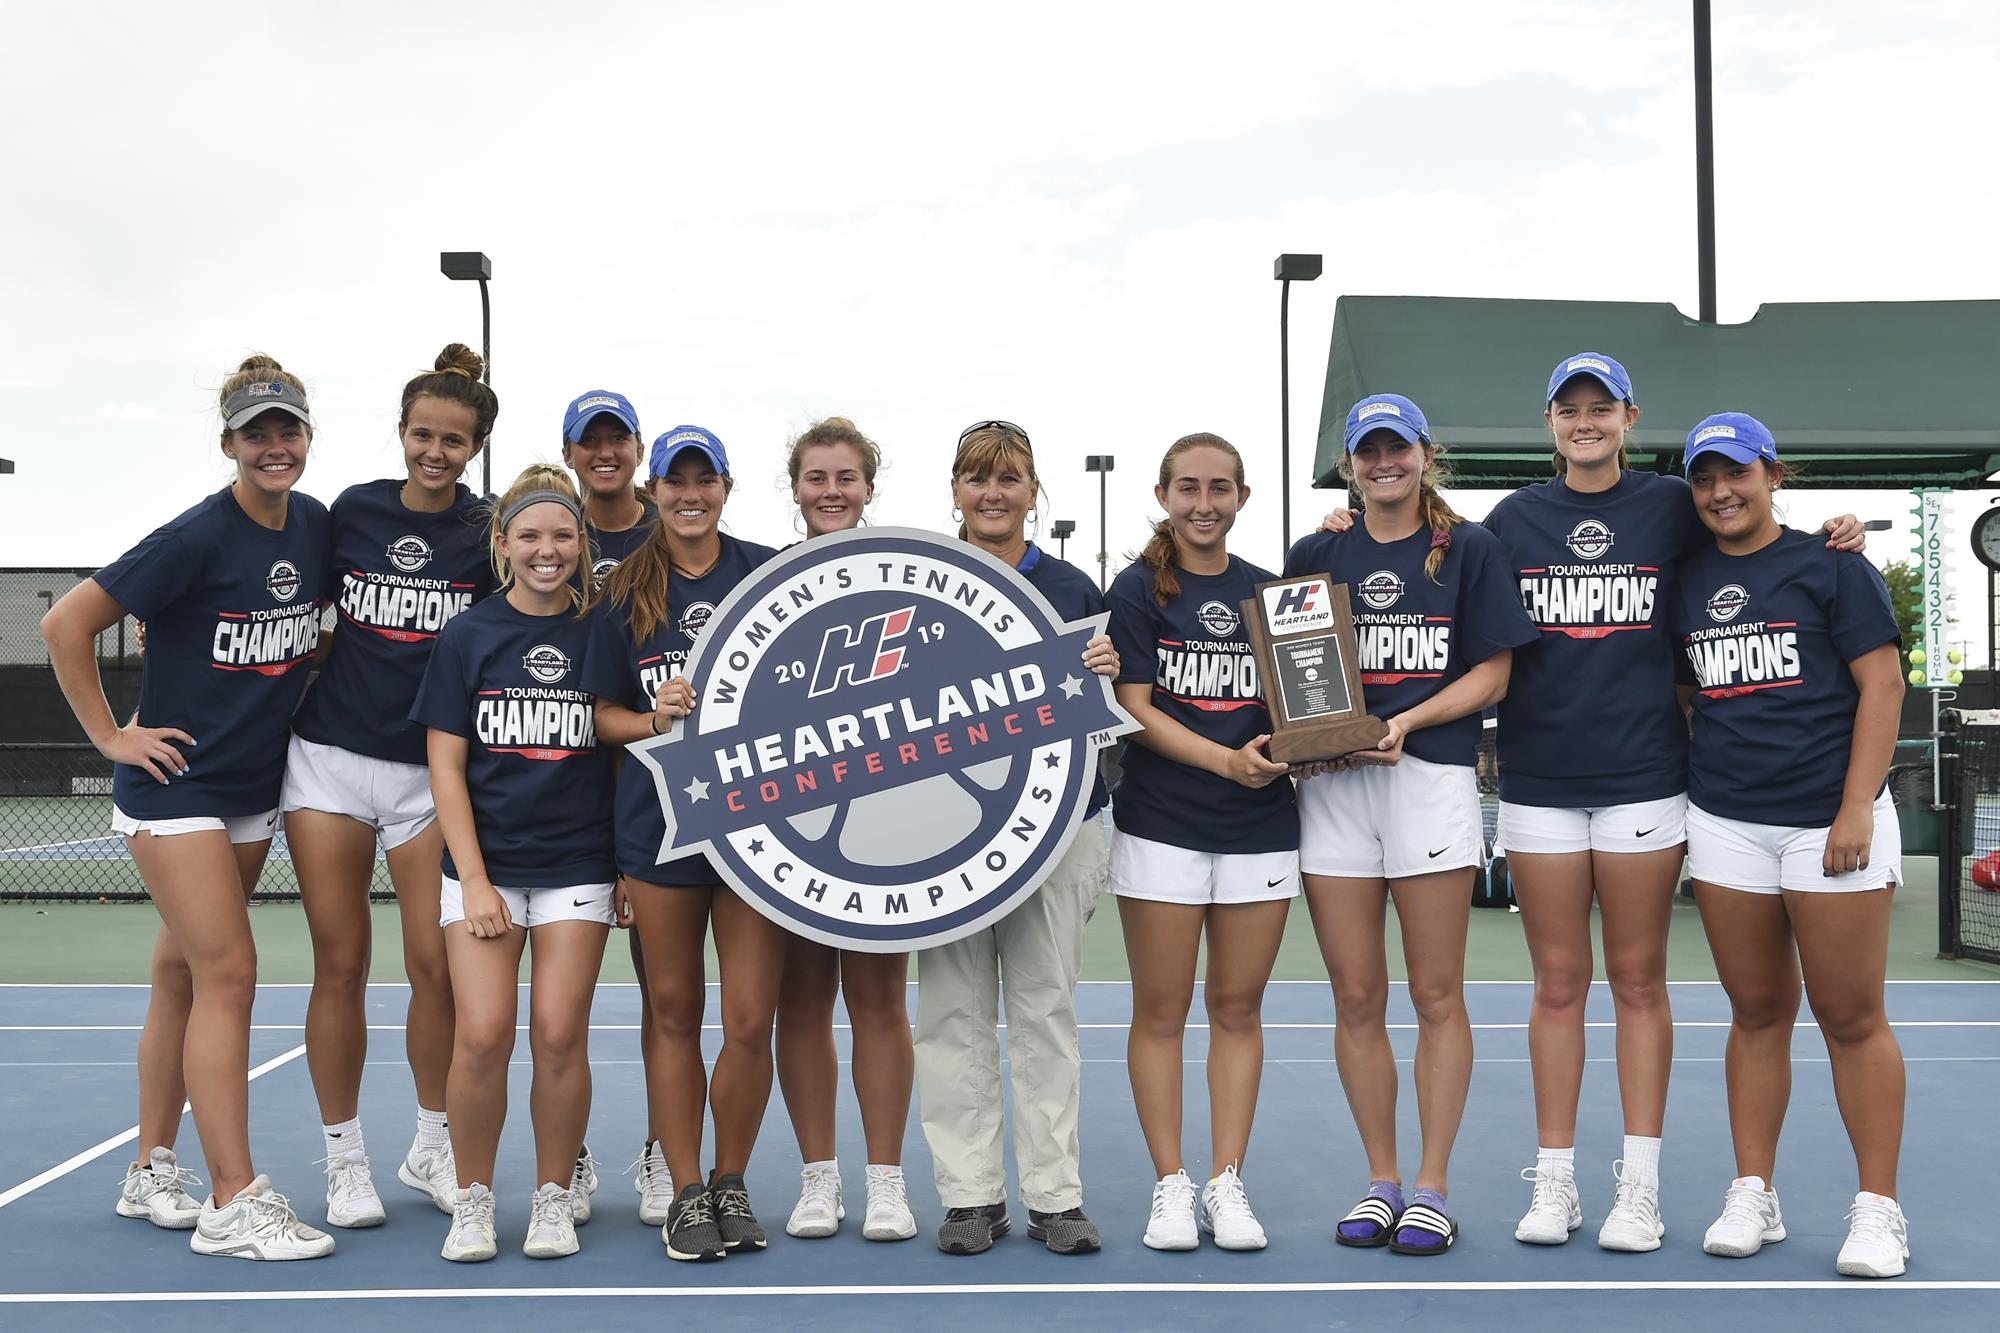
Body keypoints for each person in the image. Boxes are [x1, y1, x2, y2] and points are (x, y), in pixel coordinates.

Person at [1478, 353, 1868, 1250]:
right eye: (1568, 408)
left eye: (1601, 406)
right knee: (1558, 985)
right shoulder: (1511, 520)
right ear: (1549, 424)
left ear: (1629, 416)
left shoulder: (1668, 504)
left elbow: (1756, 541)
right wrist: (1343, 525)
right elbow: (1432, 560)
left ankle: (1639, 1189)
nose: (1585, 420)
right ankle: (1556, 1182)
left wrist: (1835, 532)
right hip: (1538, 785)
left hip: (1648, 783)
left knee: (1640, 979)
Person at [41, 355, 334, 1260]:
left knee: (181, 975)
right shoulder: (194, 538)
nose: (274, 446)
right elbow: (64, 625)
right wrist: (110, 736)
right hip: (176, 789)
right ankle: (233, 1200)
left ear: (306, 438)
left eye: (287, 430)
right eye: (257, 434)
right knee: (230, 974)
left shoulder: (316, 527)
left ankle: (148, 1166)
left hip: (251, 790)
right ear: (228, 445)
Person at [1284, 394, 1536, 1256]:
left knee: (1435, 994)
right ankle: (1380, 1178)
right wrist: (1324, 734)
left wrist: (1409, 721)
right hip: (1332, 791)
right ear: (1351, 463)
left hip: (1427, 781)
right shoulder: (1316, 551)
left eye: (1398, 448)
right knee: (1356, 994)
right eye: (1367, 451)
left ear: (1426, 454)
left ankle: (1432, 1186)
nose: (1383, 462)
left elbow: (1495, 672)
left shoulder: (1469, 548)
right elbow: (1300, 674)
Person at [1671, 413, 1909, 1279]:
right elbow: (1689, 689)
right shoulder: (1687, 576)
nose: (1721, 491)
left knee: (1849, 1016)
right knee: (1757, 1012)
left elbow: (1883, 683)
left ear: (1773, 474)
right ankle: (1753, 1190)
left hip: (1830, 822)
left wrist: (1855, 805)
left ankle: (1879, 1209)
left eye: (1736, 473)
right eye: (1704, 478)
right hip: (1728, 821)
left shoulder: (1834, 567)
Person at [284, 345, 496, 1229]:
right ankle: (343, 1161)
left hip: (428, 778)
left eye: (453, 440)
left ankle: (431, 1146)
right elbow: (297, 608)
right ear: (401, 433)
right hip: (328, 759)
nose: (435, 452)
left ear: (474, 446)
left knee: (433, 970)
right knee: (340, 965)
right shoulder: (353, 512)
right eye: (422, 435)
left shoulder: (487, 533)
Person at [914, 421, 1119, 1256]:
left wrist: (1104, 669)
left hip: (1061, 826)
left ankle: (1055, 1196)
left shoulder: (1075, 589)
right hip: (947, 837)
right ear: (954, 490)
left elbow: (1114, 720)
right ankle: (970, 1196)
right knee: (952, 1012)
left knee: (1045, 1010)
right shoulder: (920, 584)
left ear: (1035, 491)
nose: (992, 493)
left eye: (1009, 478)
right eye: (975, 477)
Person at [585, 426, 786, 1262]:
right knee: (673, 1012)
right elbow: (600, 717)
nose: (691, 493)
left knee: (748, 1018)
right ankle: (686, 1187)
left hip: (759, 833)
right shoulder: (621, 591)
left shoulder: (769, 574)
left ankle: (731, 1178)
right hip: (657, 832)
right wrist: (655, 717)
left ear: (727, 489)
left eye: (706, 478)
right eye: (676, 479)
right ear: (656, 489)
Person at [411, 465, 615, 1262]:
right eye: (529, 535)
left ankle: (554, 1197)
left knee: (561, 1034)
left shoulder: (602, 630)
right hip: (484, 872)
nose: (547, 549)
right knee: (485, 1034)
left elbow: (621, 743)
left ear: (580, 543)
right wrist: (475, 879)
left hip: (579, 864)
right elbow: (445, 769)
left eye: (562, 535)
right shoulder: (466, 635)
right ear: (502, 545)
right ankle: (473, 1198)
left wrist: (627, 864)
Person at [1105, 432, 1296, 1252]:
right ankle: (1171, 1183)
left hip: (1261, 827)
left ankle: (1227, 1179)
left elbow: (1305, 707)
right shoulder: (1139, 588)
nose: (1204, 503)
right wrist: (1227, 759)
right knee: (1161, 1009)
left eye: (1220, 488)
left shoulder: (1275, 593)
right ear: (1163, 495)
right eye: (1188, 487)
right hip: (1162, 825)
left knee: (1237, 1007)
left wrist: (1303, 747)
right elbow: (1136, 708)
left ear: (1243, 499)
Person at [768, 419, 922, 1243]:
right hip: (793, 831)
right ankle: (819, 1178)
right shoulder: (759, 582)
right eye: (817, 477)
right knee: (802, 1005)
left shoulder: (906, 575)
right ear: (795, 488)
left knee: (878, 1002)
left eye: (847, 477)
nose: (832, 490)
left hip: (885, 825)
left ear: (870, 486)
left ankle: (887, 1181)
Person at [555, 386, 653, 1213]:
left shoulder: (677, 534)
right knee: (564, 1006)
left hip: (654, 800)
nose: (605, 451)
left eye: (617, 437)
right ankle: (570, 1155)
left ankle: (663, 1152)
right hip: (556, 797)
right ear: (572, 452)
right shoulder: (546, 533)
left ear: (637, 447)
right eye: (591, 441)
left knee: (670, 996)